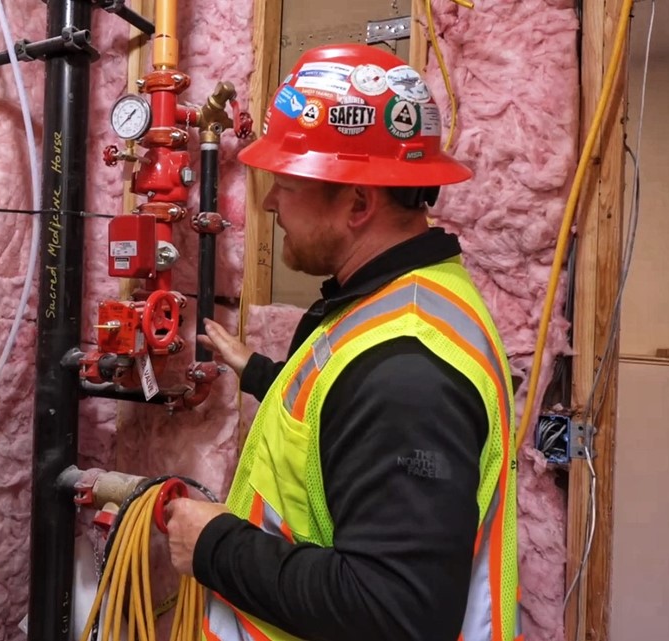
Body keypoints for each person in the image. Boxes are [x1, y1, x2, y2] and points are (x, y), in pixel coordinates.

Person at [164, 44, 521, 641]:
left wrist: (214, 544)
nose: (272, 202)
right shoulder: (397, 302)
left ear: (358, 201)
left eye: (289, 184)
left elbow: (395, 613)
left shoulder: (407, 370)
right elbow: (338, 425)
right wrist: (257, 371)